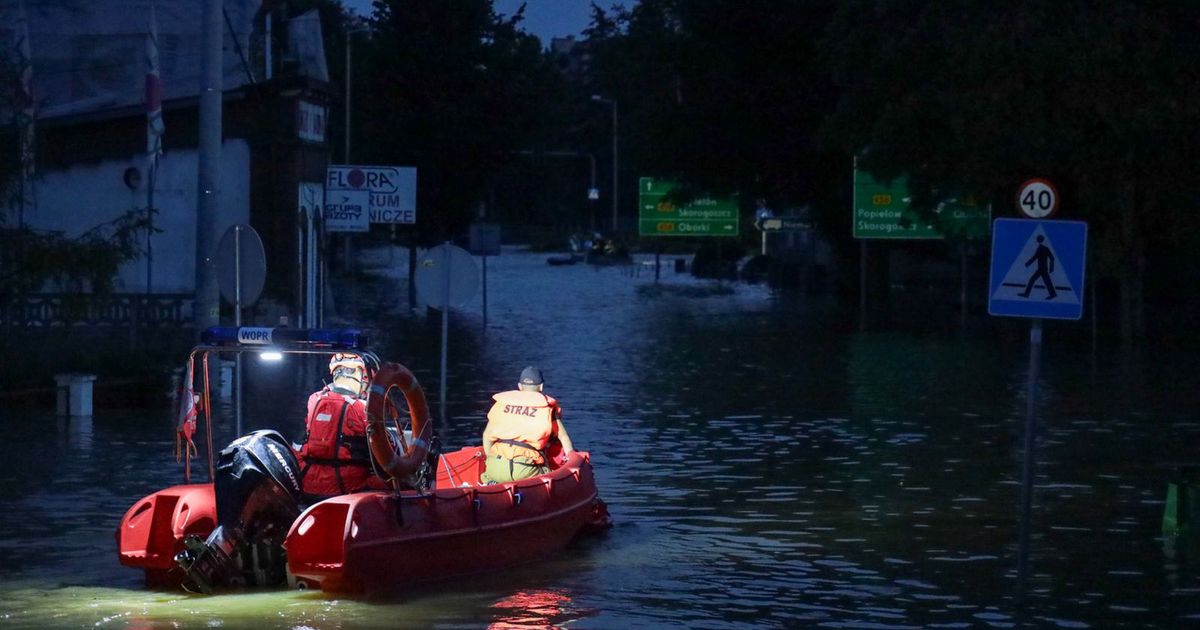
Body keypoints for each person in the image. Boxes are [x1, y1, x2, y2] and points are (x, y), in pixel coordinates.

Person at [294, 353, 375, 500]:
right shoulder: (362, 409)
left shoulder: (314, 400)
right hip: (346, 486)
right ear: (360, 375)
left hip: (308, 482)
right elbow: (382, 450)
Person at [480, 366, 574, 484]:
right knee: (551, 474)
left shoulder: (502, 404)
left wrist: (490, 458)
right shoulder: (546, 409)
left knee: (489, 476)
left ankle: (491, 485)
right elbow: (564, 437)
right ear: (541, 387)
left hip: (495, 466)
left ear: (519, 386)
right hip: (525, 469)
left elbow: (486, 435)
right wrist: (572, 460)